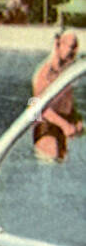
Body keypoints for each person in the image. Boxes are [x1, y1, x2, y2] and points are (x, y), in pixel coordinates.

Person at [32, 32, 82, 162]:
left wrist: (76, 118)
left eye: (75, 47)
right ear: (58, 45)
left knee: (61, 163)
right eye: (70, 46)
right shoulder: (45, 72)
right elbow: (37, 107)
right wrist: (65, 125)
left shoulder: (66, 72)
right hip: (46, 127)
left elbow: (67, 102)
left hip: (61, 125)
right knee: (50, 160)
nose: (73, 51)